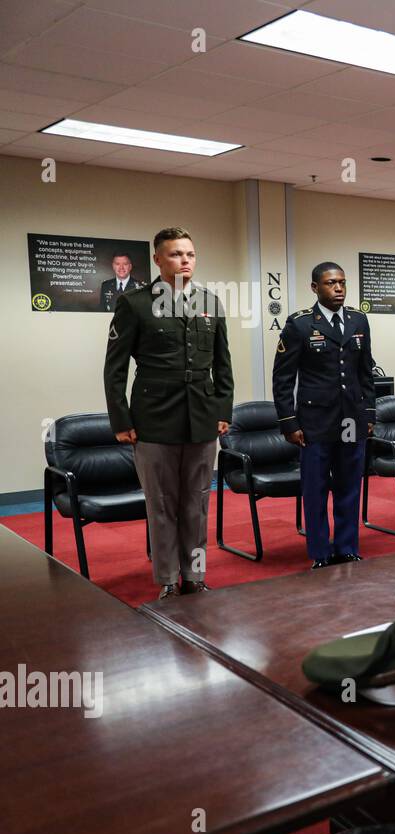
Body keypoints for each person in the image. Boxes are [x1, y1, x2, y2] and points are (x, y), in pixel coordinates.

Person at [103, 227, 232, 599]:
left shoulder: (210, 301)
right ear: (158, 259)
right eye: (176, 254)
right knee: (161, 506)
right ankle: (167, 580)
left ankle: (194, 575)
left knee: (197, 503)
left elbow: (223, 363)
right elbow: (115, 369)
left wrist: (223, 409)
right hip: (154, 418)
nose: (185, 261)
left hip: (202, 418)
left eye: (190, 254)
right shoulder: (135, 303)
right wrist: (122, 420)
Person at [272, 262, 376, 569]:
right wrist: (289, 422)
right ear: (315, 288)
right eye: (332, 283)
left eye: (342, 282)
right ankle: (320, 552)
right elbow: (283, 378)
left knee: (349, 486)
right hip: (316, 421)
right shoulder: (300, 324)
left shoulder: (358, 320)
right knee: (315, 490)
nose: (339, 288)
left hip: (351, 419)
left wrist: (369, 413)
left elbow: (365, 371)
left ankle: (346, 547)